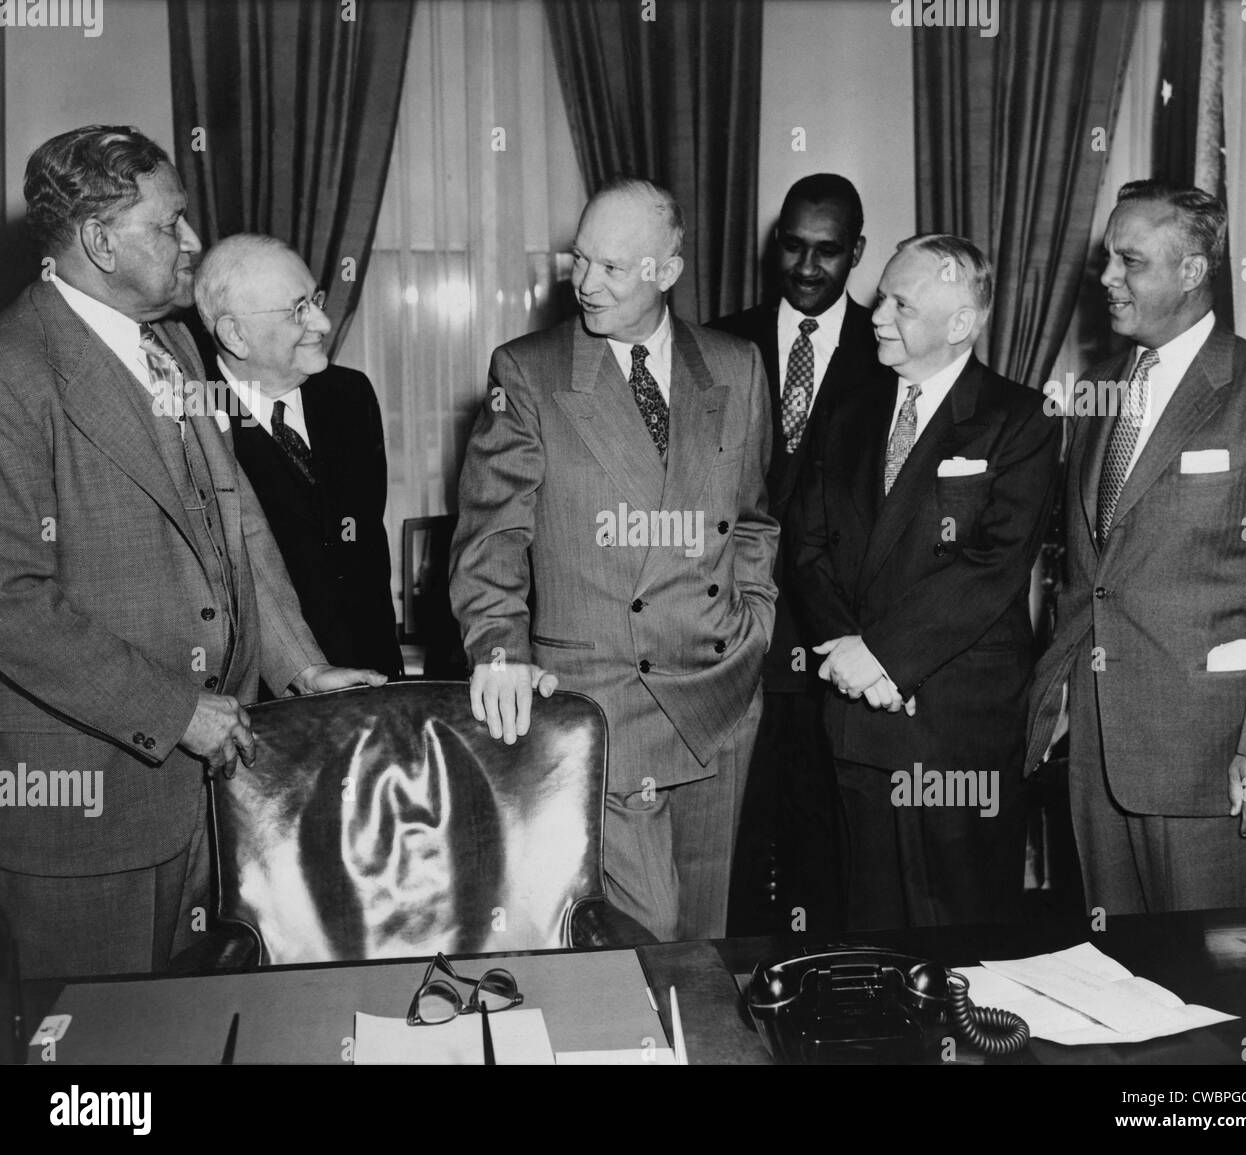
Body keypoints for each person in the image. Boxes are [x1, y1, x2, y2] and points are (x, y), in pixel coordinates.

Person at [0, 126, 385, 980]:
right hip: (90, 812)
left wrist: (300, 665)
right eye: (169, 225)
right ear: (101, 241)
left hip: (207, 794)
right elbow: (10, 600)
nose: (192, 243)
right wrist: (175, 709)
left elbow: (237, 514)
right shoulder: (15, 371)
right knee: (98, 1057)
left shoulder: (171, 346)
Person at [450, 176, 779, 941]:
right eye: (580, 260)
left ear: (666, 271)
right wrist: (497, 649)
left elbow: (757, 521)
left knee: (704, 937)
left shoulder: (737, 366)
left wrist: (753, 622)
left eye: (612, 268)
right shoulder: (528, 372)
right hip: (600, 700)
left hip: (719, 696)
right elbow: (492, 534)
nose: (585, 283)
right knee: (641, 940)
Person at [1025, 182, 1246, 913]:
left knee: (1215, 988)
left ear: (1191, 271)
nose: (1108, 277)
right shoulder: (1099, 387)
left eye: (1130, 261)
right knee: (1115, 981)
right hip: (1095, 751)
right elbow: (1091, 574)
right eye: (1107, 259)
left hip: (1209, 759)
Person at [790, 234, 1057, 928]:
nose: (877, 316)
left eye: (901, 304)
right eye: (882, 297)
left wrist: (881, 654)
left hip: (958, 728)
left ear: (961, 323)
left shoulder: (1019, 419)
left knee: (966, 939)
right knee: (869, 928)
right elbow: (807, 546)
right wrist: (849, 651)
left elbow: (993, 565)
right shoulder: (845, 411)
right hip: (858, 717)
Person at [711, 173, 886, 934]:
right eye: (792, 246)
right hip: (729, 638)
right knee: (733, 852)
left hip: (838, 647)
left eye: (828, 252)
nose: (808, 268)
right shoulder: (718, 341)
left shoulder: (891, 351)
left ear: (858, 253)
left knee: (829, 850)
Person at [194, 234, 403, 682]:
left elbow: (366, 552)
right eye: (298, 310)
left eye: (316, 300)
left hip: (374, 681)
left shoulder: (350, 396)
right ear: (235, 334)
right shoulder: (196, 421)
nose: (324, 324)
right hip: (271, 701)